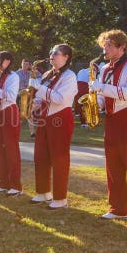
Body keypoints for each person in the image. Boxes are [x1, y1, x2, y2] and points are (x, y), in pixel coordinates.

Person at [90, 30, 127, 228]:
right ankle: (118, 209)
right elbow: (103, 94)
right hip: (112, 120)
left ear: (122, 46)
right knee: (113, 167)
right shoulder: (105, 68)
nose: (105, 49)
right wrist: (95, 103)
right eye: (104, 45)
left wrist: (101, 89)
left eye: (109, 45)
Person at [31, 44, 78, 208]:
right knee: (40, 156)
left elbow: (60, 99)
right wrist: (34, 103)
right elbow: (43, 96)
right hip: (45, 118)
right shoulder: (47, 74)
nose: (51, 55)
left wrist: (40, 88)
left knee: (59, 159)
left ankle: (60, 198)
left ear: (65, 57)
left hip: (60, 119)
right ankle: (43, 192)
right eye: (51, 52)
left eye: (55, 53)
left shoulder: (70, 76)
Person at [0, 51, 22, 195]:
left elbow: (11, 96)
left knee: (11, 149)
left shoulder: (13, 76)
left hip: (9, 112)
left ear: (6, 62)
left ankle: (15, 186)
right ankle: (3, 182)